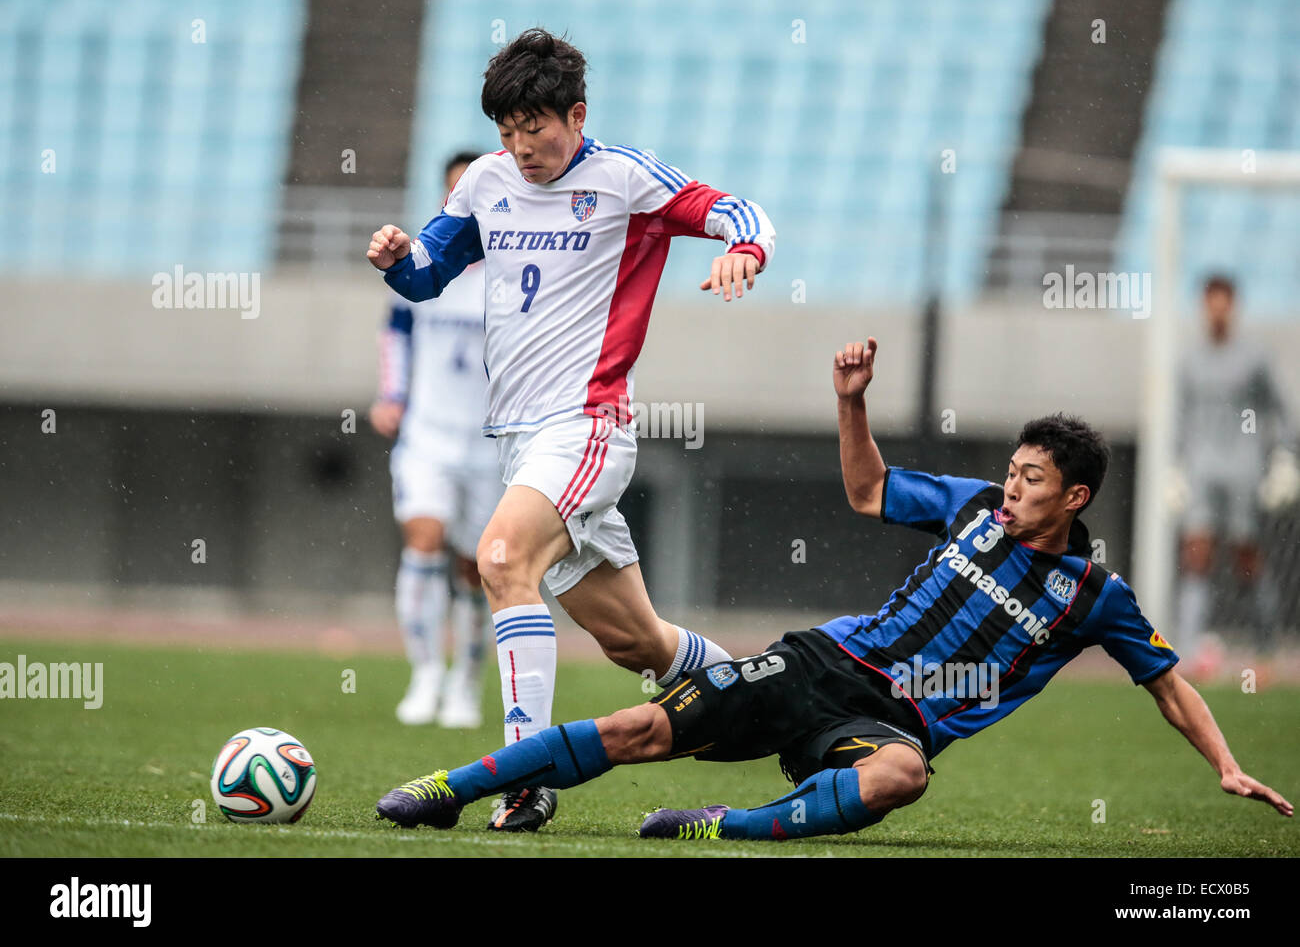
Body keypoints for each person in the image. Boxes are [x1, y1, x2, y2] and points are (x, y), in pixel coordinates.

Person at [374, 339, 1293, 840]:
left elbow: (1168, 682)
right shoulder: (972, 504)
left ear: (1076, 496)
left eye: (1033, 481)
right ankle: (447, 787)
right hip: (825, 660)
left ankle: (722, 828)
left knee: (903, 776)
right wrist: (852, 404)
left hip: (893, 719)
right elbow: (867, 490)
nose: (1011, 489)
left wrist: (1222, 762)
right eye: (1012, 473)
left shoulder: (1095, 596)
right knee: (637, 727)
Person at [366, 29, 775, 831]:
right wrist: (393, 259)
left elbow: (731, 206)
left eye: (536, 128)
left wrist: (747, 247)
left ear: (576, 114)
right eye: (507, 131)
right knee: (639, 645)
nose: (521, 148)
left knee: (498, 556)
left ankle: (524, 778)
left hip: (587, 425)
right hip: (521, 441)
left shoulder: (623, 178)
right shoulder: (485, 183)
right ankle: (765, 695)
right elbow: (426, 277)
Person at [369, 151, 501, 727]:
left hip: (492, 443)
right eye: (454, 193)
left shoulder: (513, 266)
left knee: (478, 570)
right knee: (422, 542)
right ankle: (424, 673)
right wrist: (391, 395)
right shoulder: (419, 263)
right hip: (427, 435)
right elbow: (395, 332)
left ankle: (464, 685)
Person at [1172, 275, 1298, 676]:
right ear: (1204, 305)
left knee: (1247, 558)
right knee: (1196, 555)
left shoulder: (1255, 356)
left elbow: (1283, 407)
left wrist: (1284, 457)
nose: (1217, 310)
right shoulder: (1189, 359)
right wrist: (1175, 466)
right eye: (1211, 302)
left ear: (1234, 305)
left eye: (1224, 302)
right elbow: (1182, 415)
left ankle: (1265, 651)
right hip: (1202, 468)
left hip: (1245, 468)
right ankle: (1190, 654)